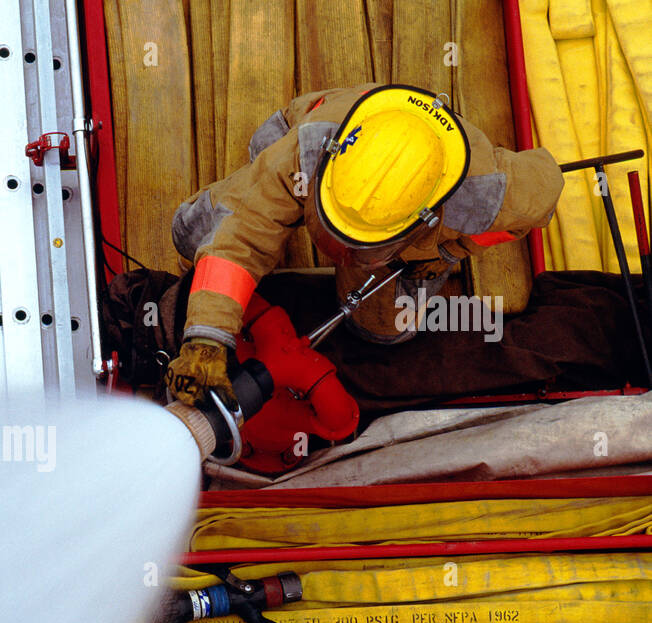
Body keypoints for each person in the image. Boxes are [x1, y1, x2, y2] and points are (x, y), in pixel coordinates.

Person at [165, 83, 564, 407]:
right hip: (313, 123)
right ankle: (258, 192)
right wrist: (206, 339)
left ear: (423, 219)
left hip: (425, 209)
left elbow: (549, 183)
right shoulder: (305, 149)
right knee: (193, 234)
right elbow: (241, 239)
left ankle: (401, 258)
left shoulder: (487, 194)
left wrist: (447, 252)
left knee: (385, 330)